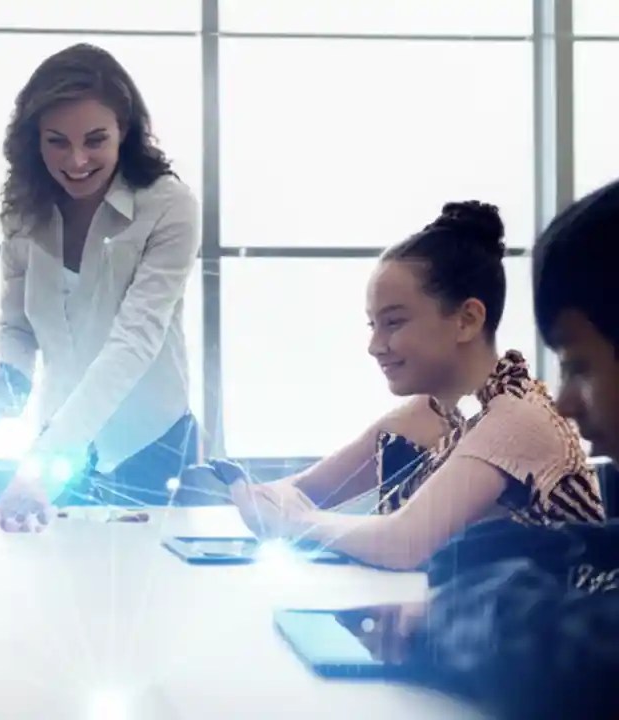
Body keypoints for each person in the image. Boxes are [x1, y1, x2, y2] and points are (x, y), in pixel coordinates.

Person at [339, 178, 619, 720]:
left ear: (468, 319)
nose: (565, 402)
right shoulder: (446, 413)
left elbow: (593, 656)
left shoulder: (518, 413)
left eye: (579, 366)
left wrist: (460, 615)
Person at [222, 201, 603, 570]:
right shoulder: (436, 411)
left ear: (467, 319)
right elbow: (303, 491)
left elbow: (404, 544)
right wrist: (254, 496)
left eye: (394, 323)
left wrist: (295, 522)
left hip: (565, 630)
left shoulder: (518, 418)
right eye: (373, 325)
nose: (375, 347)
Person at [0, 42, 202, 531]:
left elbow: (135, 339)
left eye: (95, 140)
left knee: (162, 599)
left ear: (125, 131)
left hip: (151, 445)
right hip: (60, 455)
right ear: (34, 140)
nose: (76, 160)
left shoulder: (169, 205)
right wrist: (10, 380)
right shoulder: (22, 212)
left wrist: (50, 451)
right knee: (57, 593)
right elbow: (16, 324)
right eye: (57, 141)